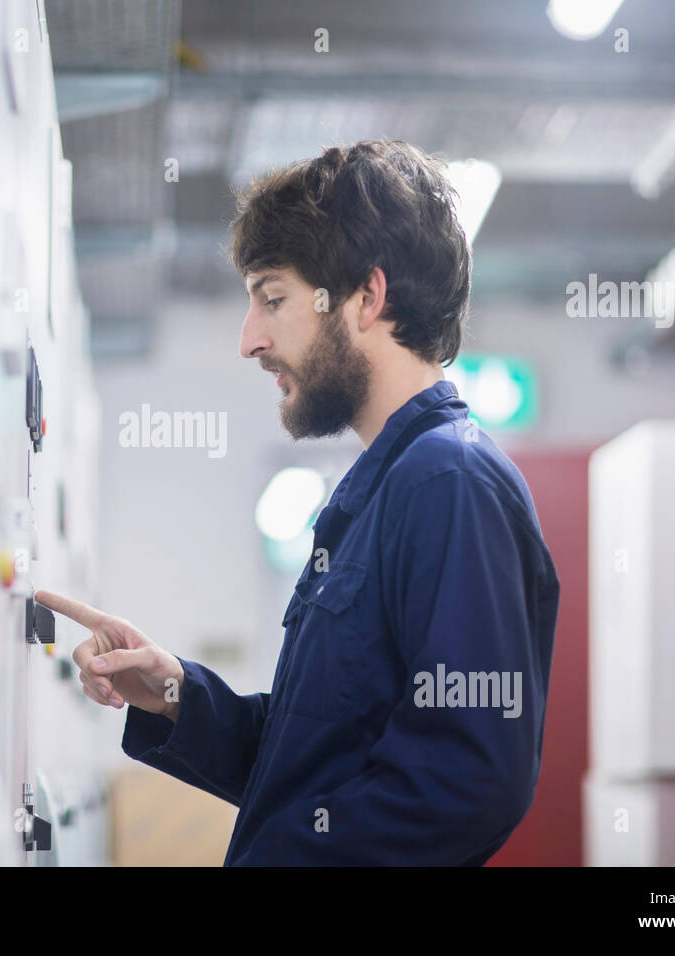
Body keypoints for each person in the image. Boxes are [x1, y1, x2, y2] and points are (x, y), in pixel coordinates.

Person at [35, 139, 560, 866]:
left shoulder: (449, 483)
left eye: (273, 299)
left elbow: (469, 781)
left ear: (365, 299)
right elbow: (316, 757)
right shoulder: (382, 489)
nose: (251, 340)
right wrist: (178, 695)